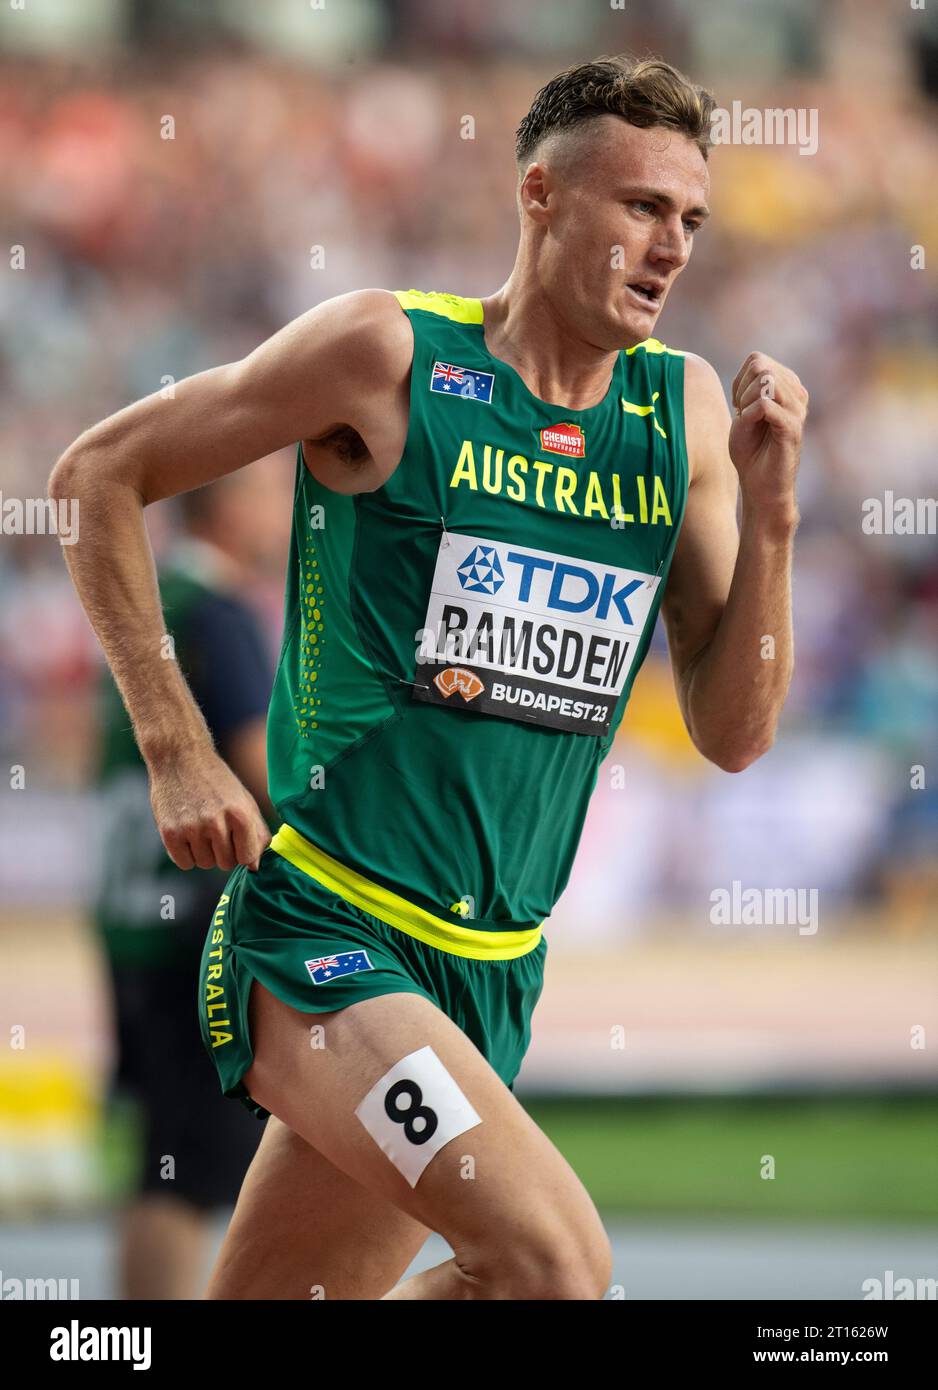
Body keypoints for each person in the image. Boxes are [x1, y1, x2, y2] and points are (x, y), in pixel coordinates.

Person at [49, 54, 808, 1300]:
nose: (670, 246)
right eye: (638, 207)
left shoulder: (680, 420)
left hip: (493, 967)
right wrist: (177, 746)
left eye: (689, 220)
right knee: (555, 1268)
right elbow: (93, 477)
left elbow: (733, 733)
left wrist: (771, 518)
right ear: (540, 196)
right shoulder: (384, 353)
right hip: (326, 936)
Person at [91, 466, 282, 1298]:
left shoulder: (152, 607)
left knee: (161, 1159)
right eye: (274, 490)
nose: (287, 505)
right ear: (230, 505)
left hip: (130, 910)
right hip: (196, 919)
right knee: (196, 1169)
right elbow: (264, 764)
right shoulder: (218, 609)